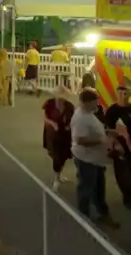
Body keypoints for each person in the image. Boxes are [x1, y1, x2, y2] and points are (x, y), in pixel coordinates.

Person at [70, 88, 119, 227]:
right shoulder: (80, 118)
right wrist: (101, 140)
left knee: (99, 187)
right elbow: (80, 140)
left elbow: (93, 130)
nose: (98, 104)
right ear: (87, 102)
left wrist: (107, 132)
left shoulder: (88, 113)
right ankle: (83, 219)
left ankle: (103, 213)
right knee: (86, 189)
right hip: (87, 160)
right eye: (95, 101)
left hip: (95, 159)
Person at [42, 87, 75, 192]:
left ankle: (59, 174)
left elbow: (72, 119)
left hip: (65, 134)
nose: (61, 99)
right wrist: (53, 124)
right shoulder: (49, 103)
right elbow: (45, 118)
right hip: (52, 134)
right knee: (56, 156)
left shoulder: (69, 106)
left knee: (64, 155)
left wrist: (69, 126)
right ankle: (56, 178)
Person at [104, 85, 131, 208]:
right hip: (120, 147)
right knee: (123, 174)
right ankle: (127, 198)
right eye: (120, 93)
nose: (123, 96)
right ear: (116, 94)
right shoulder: (112, 111)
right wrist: (115, 144)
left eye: (125, 93)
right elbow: (108, 130)